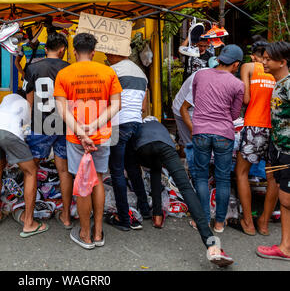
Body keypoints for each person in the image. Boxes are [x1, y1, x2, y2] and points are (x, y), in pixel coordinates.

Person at [130, 116, 234, 267]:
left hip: (142, 148)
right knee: (186, 188)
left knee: (153, 169)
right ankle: (212, 246)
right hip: (165, 147)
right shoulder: (159, 125)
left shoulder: (136, 123)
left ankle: (157, 216)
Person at [54, 33, 122, 250]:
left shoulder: (64, 73)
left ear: (74, 51)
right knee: (98, 180)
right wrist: (93, 128)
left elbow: (61, 109)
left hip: (76, 137)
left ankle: (85, 234)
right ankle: (98, 231)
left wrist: (81, 132)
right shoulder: (108, 72)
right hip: (100, 135)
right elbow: (116, 105)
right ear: (94, 52)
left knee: (83, 182)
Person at [22, 32, 74, 229]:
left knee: (31, 172)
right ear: (62, 49)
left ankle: (28, 219)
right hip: (63, 123)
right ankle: (67, 217)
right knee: (64, 171)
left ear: (45, 49)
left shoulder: (33, 67)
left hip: (40, 123)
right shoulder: (69, 69)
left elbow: (29, 97)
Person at [192, 44, 245, 233]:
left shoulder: (200, 75)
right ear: (236, 64)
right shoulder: (238, 84)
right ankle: (220, 223)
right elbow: (234, 114)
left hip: (201, 131)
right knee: (223, 179)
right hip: (224, 133)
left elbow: (197, 99)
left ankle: (204, 219)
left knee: (201, 176)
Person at [0, 91, 49, 237]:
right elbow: (26, 127)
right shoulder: (27, 103)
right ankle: (29, 223)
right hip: (9, 131)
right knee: (30, 171)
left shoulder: (7, 98)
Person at [235, 41, 279, 236]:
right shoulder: (279, 70)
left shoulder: (248, 67)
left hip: (254, 124)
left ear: (254, 55)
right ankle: (264, 223)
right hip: (275, 127)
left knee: (241, 172)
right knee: (273, 178)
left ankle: (248, 222)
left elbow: (245, 98)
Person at [104, 52, 149, 231]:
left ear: (116, 54)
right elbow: (144, 106)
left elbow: (108, 101)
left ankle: (123, 218)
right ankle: (145, 209)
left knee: (116, 170)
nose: (106, 56)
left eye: (108, 53)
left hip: (118, 124)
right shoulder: (141, 73)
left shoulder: (112, 71)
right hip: (136, 123)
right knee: (132, 167)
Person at [256, 41, 290, 261]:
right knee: (285, 200)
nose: (264, 62)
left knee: (287, 200)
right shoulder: (278, 83)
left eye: (268, 59)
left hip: (288, 151)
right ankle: (285, 246)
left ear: (282, 62)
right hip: (279, 149)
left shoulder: (288, 85)